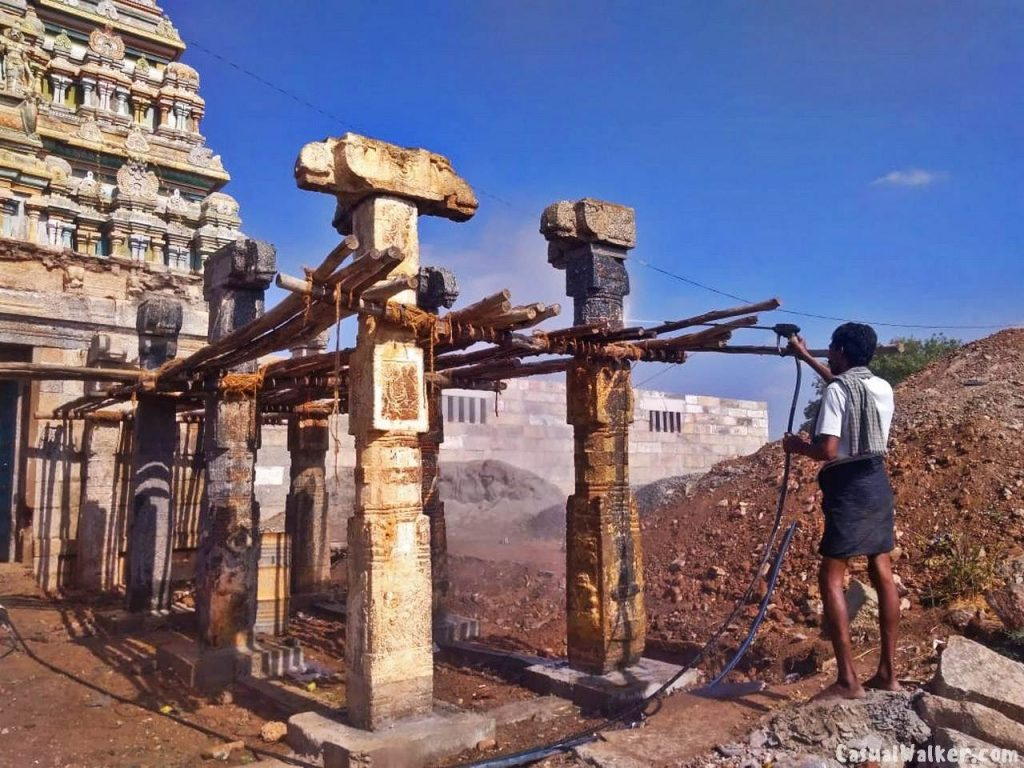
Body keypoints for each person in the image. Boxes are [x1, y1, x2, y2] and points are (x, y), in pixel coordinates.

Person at [782, 322, 900, 700]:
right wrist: (806, 357)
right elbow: (844, 386)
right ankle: (887, 674)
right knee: (881, 568)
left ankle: (848, 680)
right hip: (877, 481)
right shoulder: (881, 387)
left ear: (842, 352)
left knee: (832, 577)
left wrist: (797, 446)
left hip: (848, 487)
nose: (827, 352)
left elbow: (828, 450)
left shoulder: (837, 391)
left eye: (831, 348)